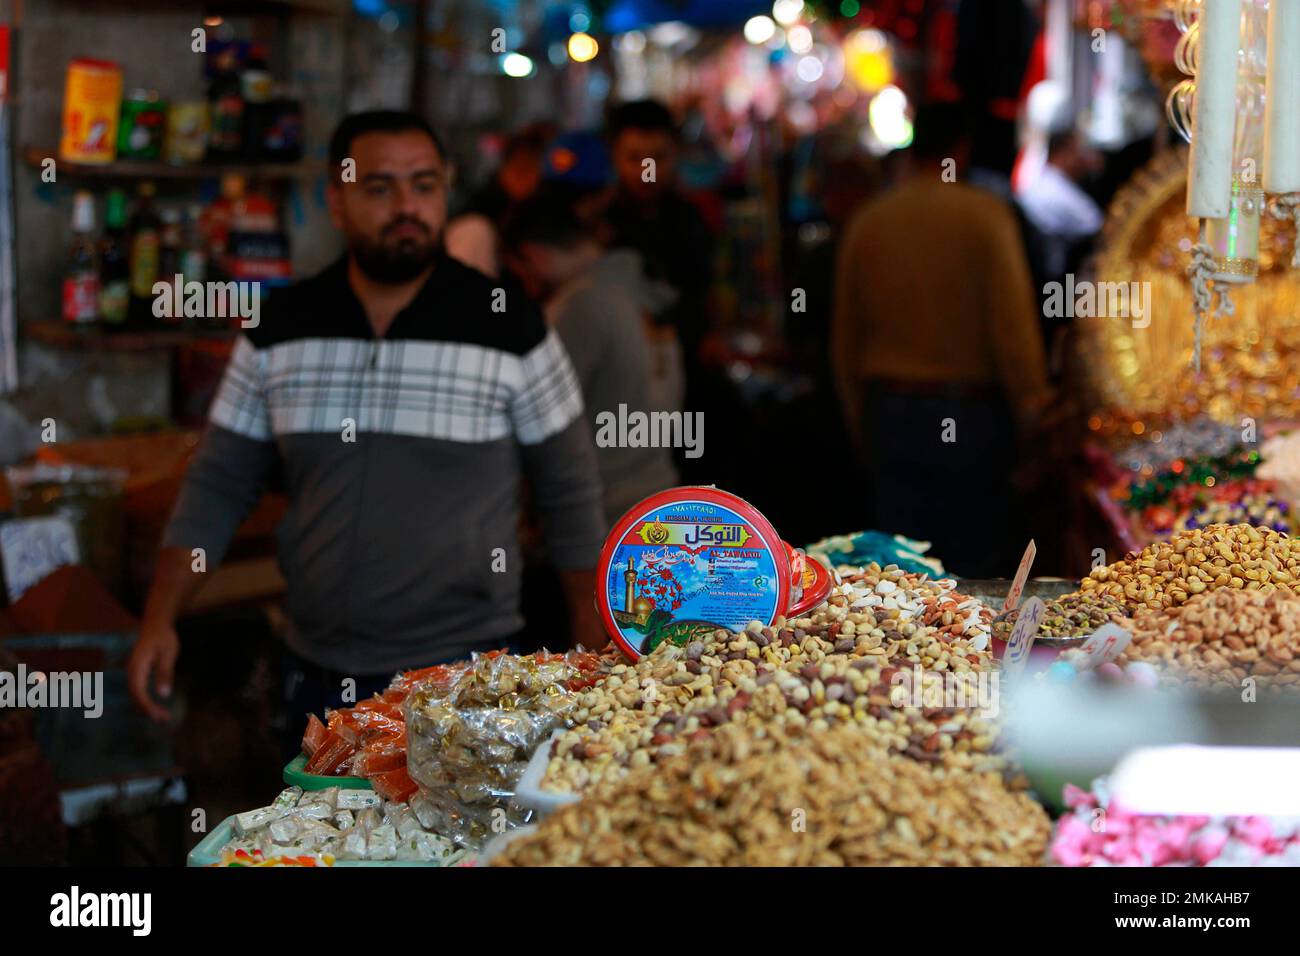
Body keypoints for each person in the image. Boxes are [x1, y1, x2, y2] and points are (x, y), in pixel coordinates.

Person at [128, 111, 607, 737]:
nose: (406, 206)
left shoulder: (510, 328)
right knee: (322, 832)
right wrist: (160, 618)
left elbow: (570, 499)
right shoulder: (281, 329)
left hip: (469, 673)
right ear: (337, 199)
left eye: (424, 185)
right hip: (315, 673)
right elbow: (217, 485)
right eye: (380, 188)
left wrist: (592, 657)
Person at [830, 102, 1052, 577]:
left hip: (891, 413)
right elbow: (1014, 331)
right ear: (962, 149)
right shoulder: (985, 217)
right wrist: (1033, 416)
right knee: (973, 571)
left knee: (899, 574)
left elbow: (845, 338)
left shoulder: (871, 220)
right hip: (970, 418)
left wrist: (858, 420)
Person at [503, 189, 681, 526]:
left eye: (522, 274)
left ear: (534, 255)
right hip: (658, 498)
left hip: (601, 514)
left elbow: (541, 421)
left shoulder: (577, 307)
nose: (527, 288)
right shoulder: (641, 287)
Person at [604, 99, 715, 369]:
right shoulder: (600, 226)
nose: (647, 173)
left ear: (676, 154)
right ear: (615, 158)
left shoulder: (691, 218)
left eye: (658, 158)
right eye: (634, 159)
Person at [444, 122, 553, 278]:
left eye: (537, 172)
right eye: (522, 170)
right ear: (504, 168)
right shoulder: (477, 222)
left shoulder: (536, 211)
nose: (530, 180)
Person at [1016, 129, 1104, 280]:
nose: (1081, 160)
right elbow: (1097, 224)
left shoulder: (1035, 177)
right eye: (1076, 152)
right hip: (1051, 273)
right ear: (1062, 153)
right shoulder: (1060, 192)